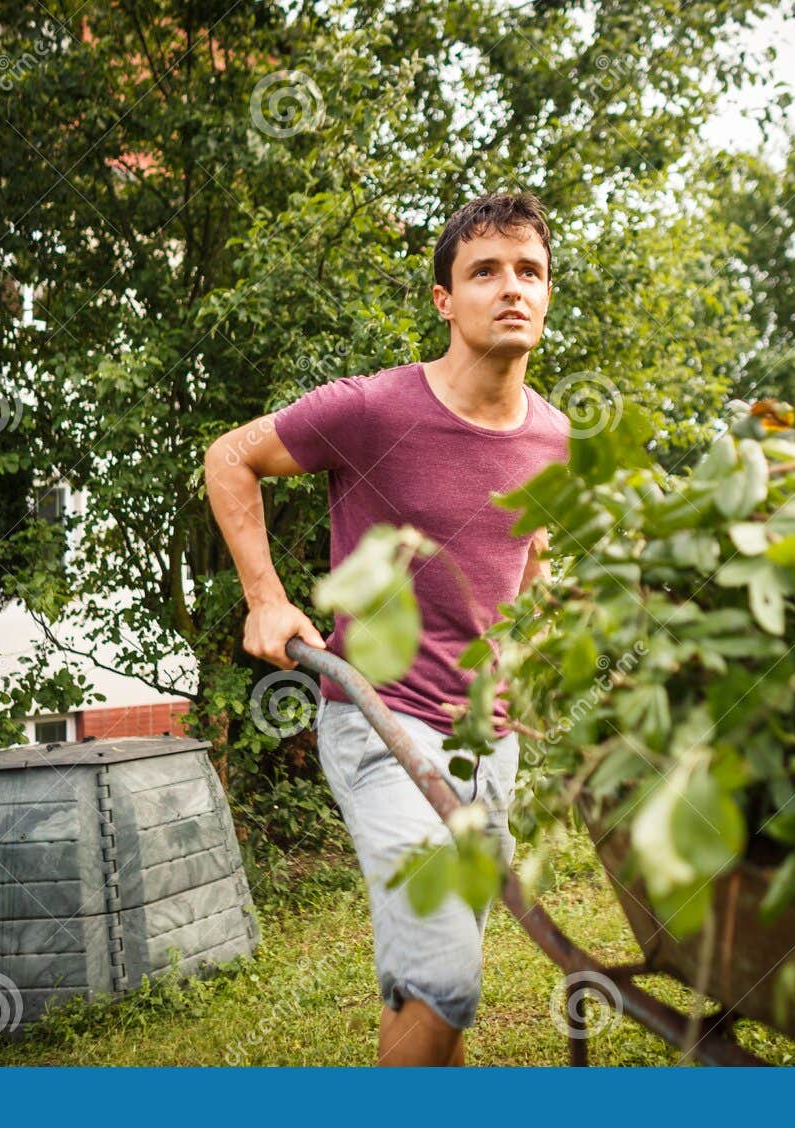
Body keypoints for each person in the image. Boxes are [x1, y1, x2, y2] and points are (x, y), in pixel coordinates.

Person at [205, 190, 571, 1065]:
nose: (511, 288)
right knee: (446, 969)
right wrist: (265, 595)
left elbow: (535, 558)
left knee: (436, 971)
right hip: (382, 718)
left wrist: (536, 649)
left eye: (530, 272)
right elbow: (231, 456)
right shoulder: (372, 408)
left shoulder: (556, 435)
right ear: (444, 299)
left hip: (493, 737)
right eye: (485, 271)